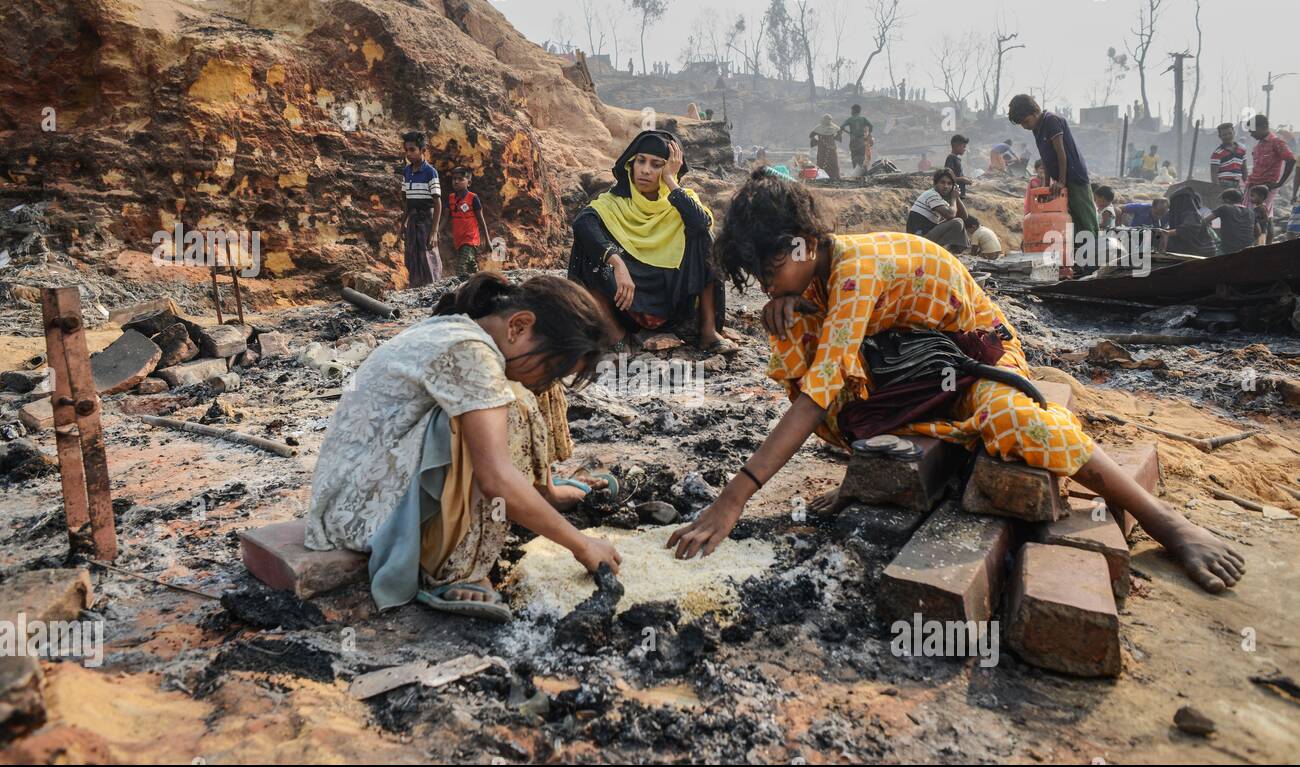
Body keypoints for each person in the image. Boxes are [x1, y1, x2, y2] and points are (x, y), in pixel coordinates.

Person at [668, 170, 1246, 596]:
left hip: (975, 354)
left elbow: (817, 397)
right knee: (801, 353)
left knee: (1015, 423)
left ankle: (1166, 522)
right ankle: (907, 457)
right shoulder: (808, 281)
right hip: (912, 362)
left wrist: (732, 500)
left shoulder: (853, 272)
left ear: (804, 241)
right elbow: (817, 390)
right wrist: (790, 301)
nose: (768, 289)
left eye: (772, 274)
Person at [305, 273, 623, 621]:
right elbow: (495, 479)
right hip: (359, 509)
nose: (548, 381)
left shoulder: (471, 331)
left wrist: (542, 488)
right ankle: (454, 570)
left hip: (375, 478)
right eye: (552, 367)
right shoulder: (471, 351)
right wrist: (582, 545)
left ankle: (540, 491)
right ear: (518, 326)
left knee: (528, 388)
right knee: (513, 404)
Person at [567, 129, 735, 354]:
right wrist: (617, 263)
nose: (645, 170)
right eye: (640, 161)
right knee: (588, 246)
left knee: (704, 237)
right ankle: (615, 335)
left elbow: (700, 223)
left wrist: (670, 181)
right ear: (630, 165)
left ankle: (707, 332)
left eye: (657, 164)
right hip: (625, 302)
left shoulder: (680, 202)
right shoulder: (613, 202)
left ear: (669, 168)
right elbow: (582, 224)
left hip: (671, 304)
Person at [1009, 94, 1099, 263]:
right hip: (1060, 179)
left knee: (1085, 219)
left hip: (1074, 176)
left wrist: (1061, 182)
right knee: (1071, 221)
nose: (1025, 126)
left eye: (1026, 121)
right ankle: (1080, 261)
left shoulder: (1051, 120)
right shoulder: (1037, 128)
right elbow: (1045, 156)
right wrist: (1046, 183)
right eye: (1021, 124)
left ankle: (1095, 259)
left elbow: (1060, 152)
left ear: (1035, 112)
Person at [398, 131, 443, 286]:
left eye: (412, 150)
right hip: (413, 220)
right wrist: (403, 223)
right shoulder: (407, 171)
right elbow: (407, 201)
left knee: (428, 255)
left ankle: (433, 288)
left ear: (423, 151)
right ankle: (416, 290)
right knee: (412, 255)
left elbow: (438, 203)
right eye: (406, 150)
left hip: (427, 221)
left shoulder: (430, 172)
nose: (408, 154)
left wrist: (434, 232)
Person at [1246, 114, 1297, 218]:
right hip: (1253, 184)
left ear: (1264, 127)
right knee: (1263, 216)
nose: (1251, 134)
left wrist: (1281, 182)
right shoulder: (1257, 146)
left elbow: (1291, 160)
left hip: (1266, 186)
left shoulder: (1276, 142)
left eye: (1253, 131)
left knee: (1259, 216)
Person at [906, 168, 969, 253]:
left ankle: (956, 249)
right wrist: (953, 198)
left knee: (959, 221)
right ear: (935, 184)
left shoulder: (940, 199)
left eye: (949, 184)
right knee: (957, 222)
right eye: (942, 182)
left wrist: (957, 198)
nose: (946, 186)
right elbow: (950, 215)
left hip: (925, 235)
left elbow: (964, 216)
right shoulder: (931, 195)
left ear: (953, 187)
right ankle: (954, 250)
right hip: (918, 239)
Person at [443, 168, 492, 277]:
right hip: (458, 239)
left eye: (460, 179)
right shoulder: (451, 198)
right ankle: (480, 280)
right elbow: (446, 217)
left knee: (460, 267)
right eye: (454, 179)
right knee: (470, 265)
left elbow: (481, 219)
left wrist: (488, 240)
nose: (456, 182)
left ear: (468, 183)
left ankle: (461, 290)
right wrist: (437, 231)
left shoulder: (473, 198)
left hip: (470, 239)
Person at [1158, 188, 1217, 256]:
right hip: (1193, 250)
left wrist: (1168, 233)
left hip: (1200, 251)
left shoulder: (1191, 213)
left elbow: (1189, 228)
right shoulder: (1183, 214)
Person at [1203, 188, 1259, 255]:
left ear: (1227, 200)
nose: (1222, 202)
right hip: (1248, 247)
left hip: (1228, 249)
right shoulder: (1251, 212)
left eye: (1222, 201)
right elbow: (1258, 231)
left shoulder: (1224, 208)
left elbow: (1204, 221)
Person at [1210, 122, 1248, 189]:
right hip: (1224, 184)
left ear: (1234, 132)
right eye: (1224, 135)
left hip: (1238, 184)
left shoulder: (1242, 150)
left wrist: (1247, 185)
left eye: (1229, 133)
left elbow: (1244, 170)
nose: (1227, 136)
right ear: (1220, 136)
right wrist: (1217, 189)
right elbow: (1214, 175)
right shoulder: (1217, 153)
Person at [840, 105, 874, 171]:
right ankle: (862, 173)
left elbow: (841, 127)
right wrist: (868, 135)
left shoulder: (850, 119)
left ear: (854, 111)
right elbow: (871, 126)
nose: (851, 112)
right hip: (861, 140)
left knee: (854, 157)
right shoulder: (863, 119)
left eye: (851, 110)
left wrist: (849, 133)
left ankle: (856, 173)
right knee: (862, 157)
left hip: (853, 140)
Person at [809, 114, 842, 180]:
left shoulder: (819, 128)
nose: (827, 121)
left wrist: (816, 141)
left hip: (825, 148)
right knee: (825, 161)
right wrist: (835, 137)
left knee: (828, 162)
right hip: (827, 148)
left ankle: (829, 177)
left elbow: (811, 135)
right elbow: (811, 135)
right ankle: (829, 176)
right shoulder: (834, 128)